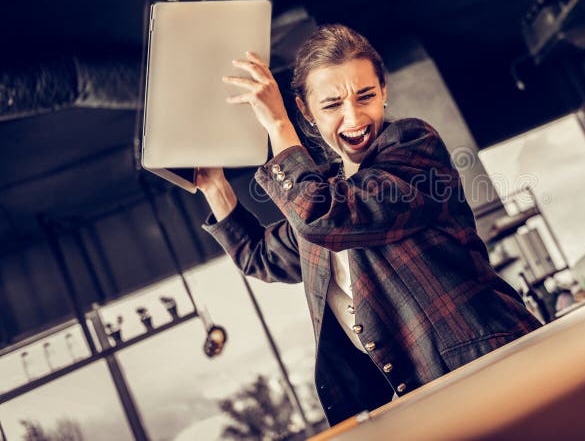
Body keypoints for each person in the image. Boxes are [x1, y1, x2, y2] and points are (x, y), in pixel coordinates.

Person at [196, 24, 540, 426]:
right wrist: (214, 186)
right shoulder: (324, 192)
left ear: (384, 91)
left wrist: (278, 126)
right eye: (331, 105)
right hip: (422, 402)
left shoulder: (413, 148)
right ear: (306, 110)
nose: (354, 117)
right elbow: (261, 256)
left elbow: (322, 215)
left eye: (365, 96)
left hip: (493, 369)